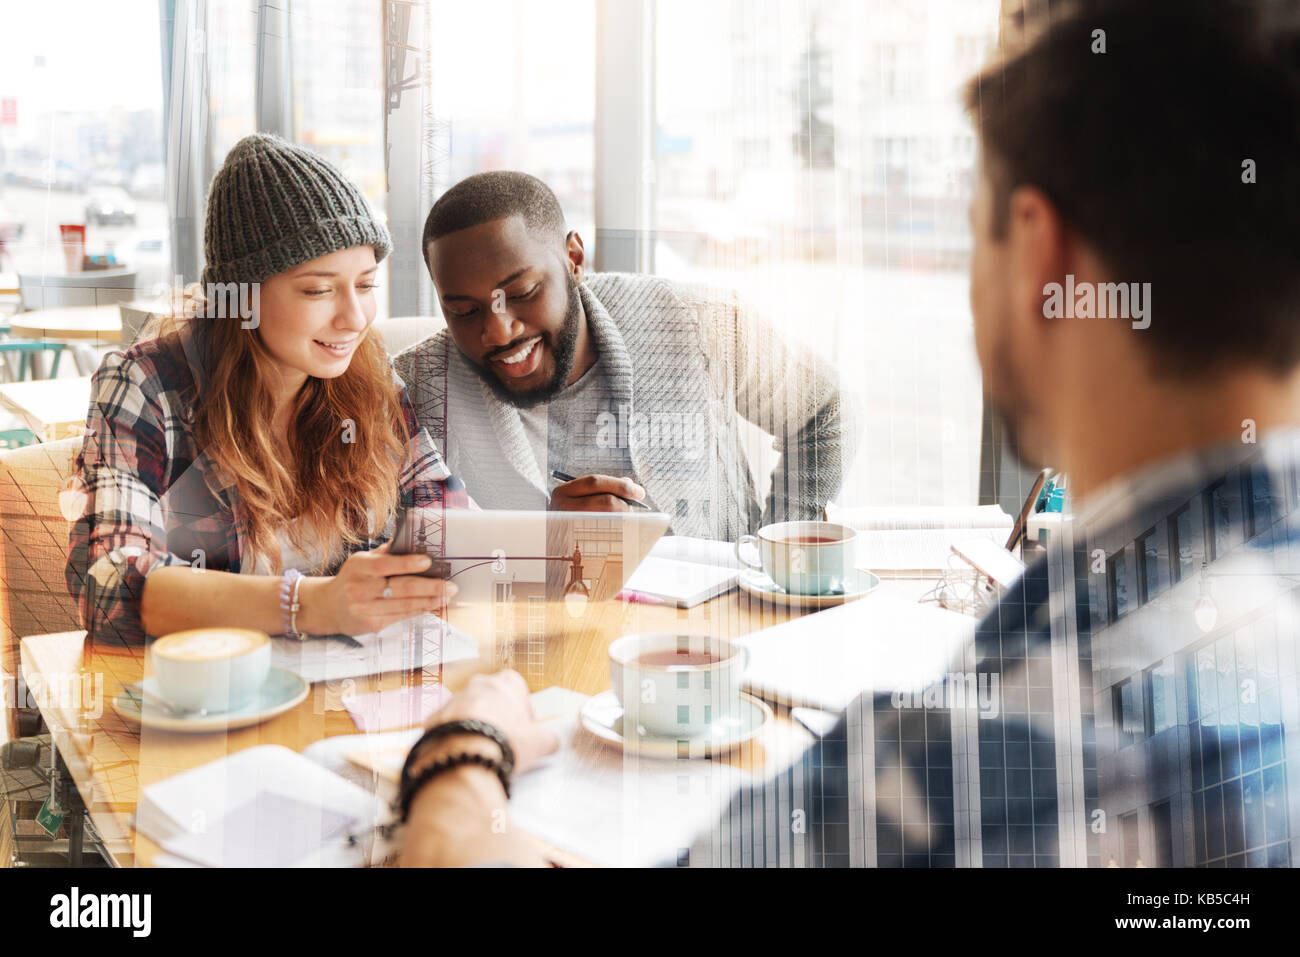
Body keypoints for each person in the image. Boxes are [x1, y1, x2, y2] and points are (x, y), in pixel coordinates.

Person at [393, 0, 1300, 867]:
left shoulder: (991, 747)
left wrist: (459, 755)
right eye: (467, 307)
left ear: (1039, 255)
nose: (498, 326)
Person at [65, 133, 468, 647]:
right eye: (319, 289)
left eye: (365, 285)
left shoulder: (368, 376)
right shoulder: (147, 384)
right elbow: (107, 585)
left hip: (358, 691)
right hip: (210, 703)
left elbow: (442, 516)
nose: (354, 317)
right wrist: (309, 605)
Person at [394, 172, 858, 541]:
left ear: (574, 259)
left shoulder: (699, 322)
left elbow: (826, 409)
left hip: (718, 633)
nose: (497, 330)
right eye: (464, 310)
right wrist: (538, 541)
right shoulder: (412, 389)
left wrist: (778, 547)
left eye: (522, 292)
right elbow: (373, 556)